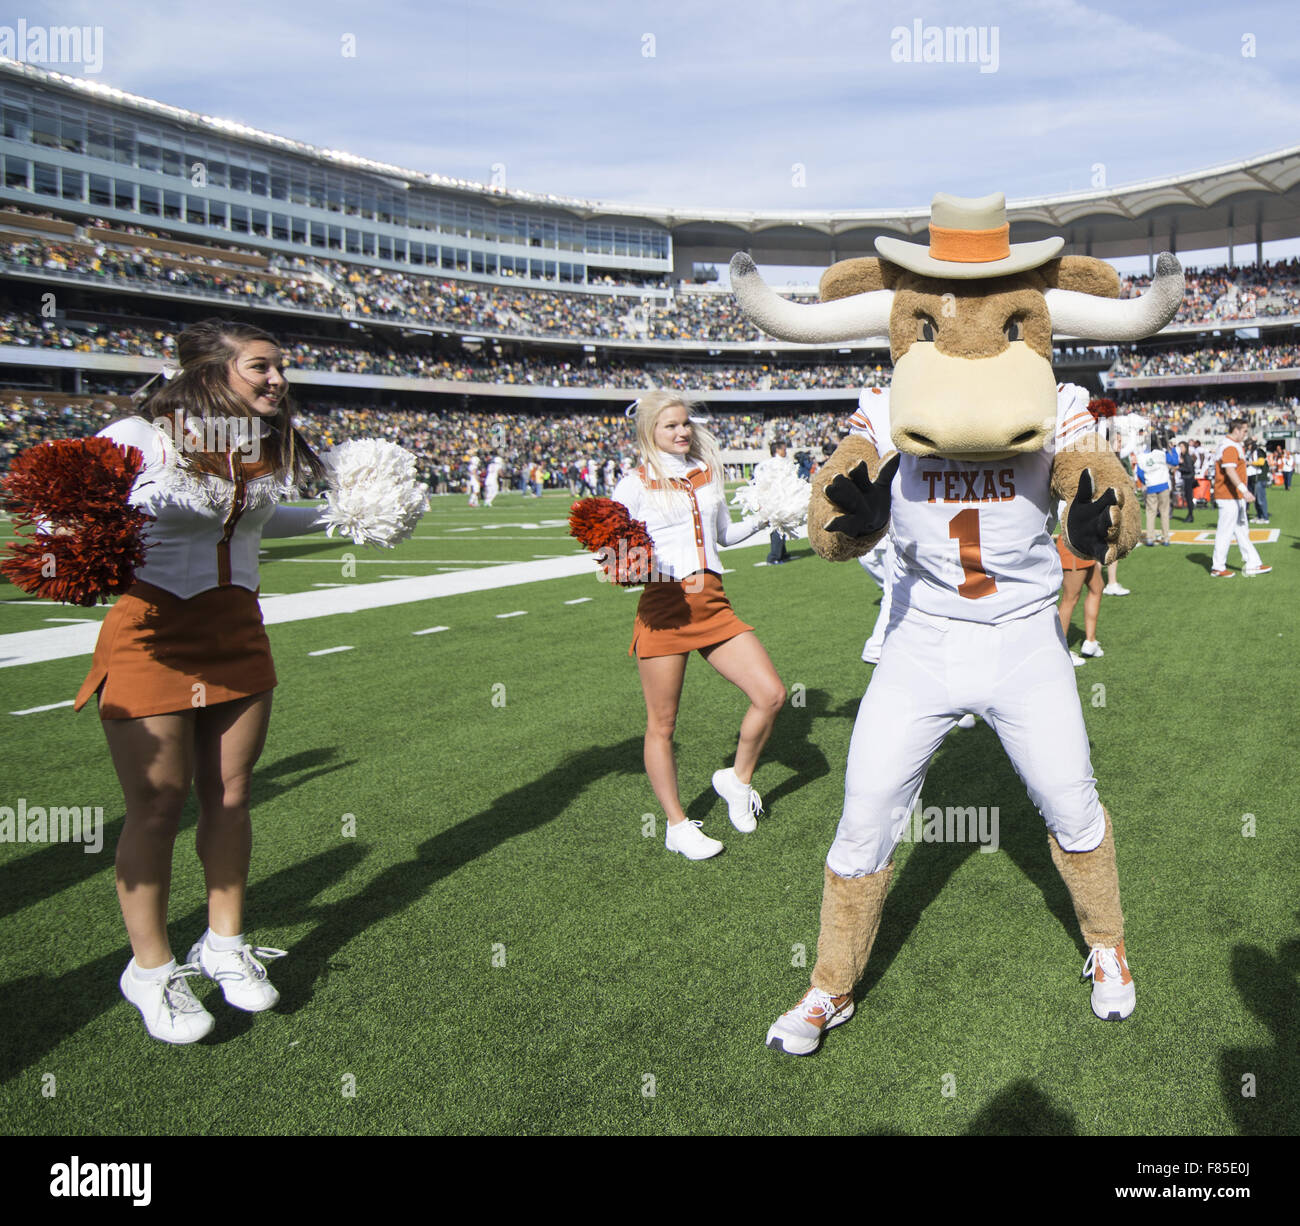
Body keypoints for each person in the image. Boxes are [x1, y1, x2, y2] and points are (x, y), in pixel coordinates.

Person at [72, 319, 332, 1044]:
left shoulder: (260, 442)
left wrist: (350, 516)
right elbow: (69, 518)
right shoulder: (137, 435)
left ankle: (222, 943)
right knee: (156, 808)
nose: (277, 380)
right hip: (153, 632)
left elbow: (256, 524)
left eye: (281, 368)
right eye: (261, 367)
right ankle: (150, 971)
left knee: (231, 794)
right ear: (208, 371)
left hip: (236, 631)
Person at [610, 392, 785, 860]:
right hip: (665, 608)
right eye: (670, 426)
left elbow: (724, 536)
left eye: (685, 423)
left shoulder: (707, 475)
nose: (682, 432)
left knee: (771, 694)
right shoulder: (634, 484)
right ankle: (676, 824)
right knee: (663, 724)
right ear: (650, 432)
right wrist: (623, 564)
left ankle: (736, 779)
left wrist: (770, 515)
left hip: (713, 602)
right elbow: (609, 551)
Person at [1211, 418, 1271, 578]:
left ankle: (1253, 563)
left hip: (1233, 495)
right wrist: (1244, 490)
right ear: (1236, 430)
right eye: (1244, 431)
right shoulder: (1229, 446)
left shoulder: (1231, 444)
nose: (1246, 434)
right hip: (1228, 495)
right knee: (1226, 531)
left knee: (1241, 530)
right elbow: (1230, 471)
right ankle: (1218, 566)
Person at [1057, 524, 1105, 665]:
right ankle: (1060, 651)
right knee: (1069, 598)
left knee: (1097, 587)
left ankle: (1091, 642)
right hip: (1074, 544)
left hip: (1086, 543)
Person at [1136, 434, 1173, 546]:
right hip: (1163, 485)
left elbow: (1140, 474)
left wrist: (1146, 482)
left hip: (1151, 486)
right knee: (1164, 513)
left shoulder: (1142, 457)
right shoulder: (1161, 453)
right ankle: (1166, 538)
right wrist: (1170, 447)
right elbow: (1174, 460)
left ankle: (1150, 538)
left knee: (1150, 513)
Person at [764, 440, 791, 565]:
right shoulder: (772, 464)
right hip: (774, 502)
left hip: (782, 500)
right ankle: (774, 556)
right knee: (777, 527)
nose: (785, 451)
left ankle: (782, 553)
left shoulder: (782, 463)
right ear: (777, 450)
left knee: (783, 526)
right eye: (783, 449)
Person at [1177, 441, 1198, 523]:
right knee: (1188, 498)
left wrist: (1179, 468)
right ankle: (1190, 515)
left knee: (1189, 498)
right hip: (1187, 478)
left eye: (1182, 447)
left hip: (1189, 479)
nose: (1181, 449)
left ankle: (1190, 515)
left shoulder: (1187, 457)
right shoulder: (1184, 456)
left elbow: (1189, 469)